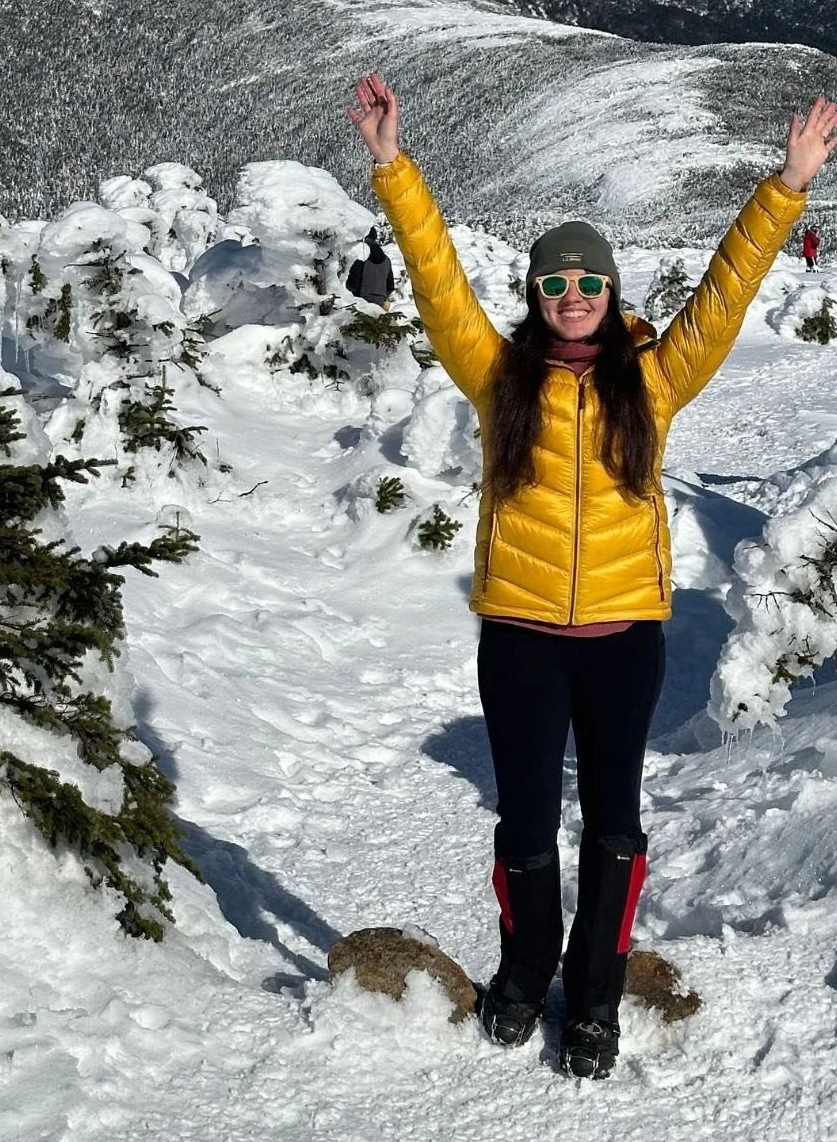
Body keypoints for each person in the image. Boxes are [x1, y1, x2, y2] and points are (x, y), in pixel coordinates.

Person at [348, 69, 837, 1080]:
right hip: (522, 638)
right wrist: (394, 168)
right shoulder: (499, 377)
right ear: (537, 298)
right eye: (555, 285)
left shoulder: (652, 383)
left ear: (612, 296)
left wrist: (785, 189)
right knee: (525, 818)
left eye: (589, 284)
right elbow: (438, 282)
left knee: (614, 823)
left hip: (623, 644)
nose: (572, 299)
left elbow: (721, 297)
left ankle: (596, 996)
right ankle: (526, 973)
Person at [345, 226, 396, 308]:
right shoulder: (387, 260)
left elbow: (353, 284)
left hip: (362, 302)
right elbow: (390, 286)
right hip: (381, 303)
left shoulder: (361, 257)